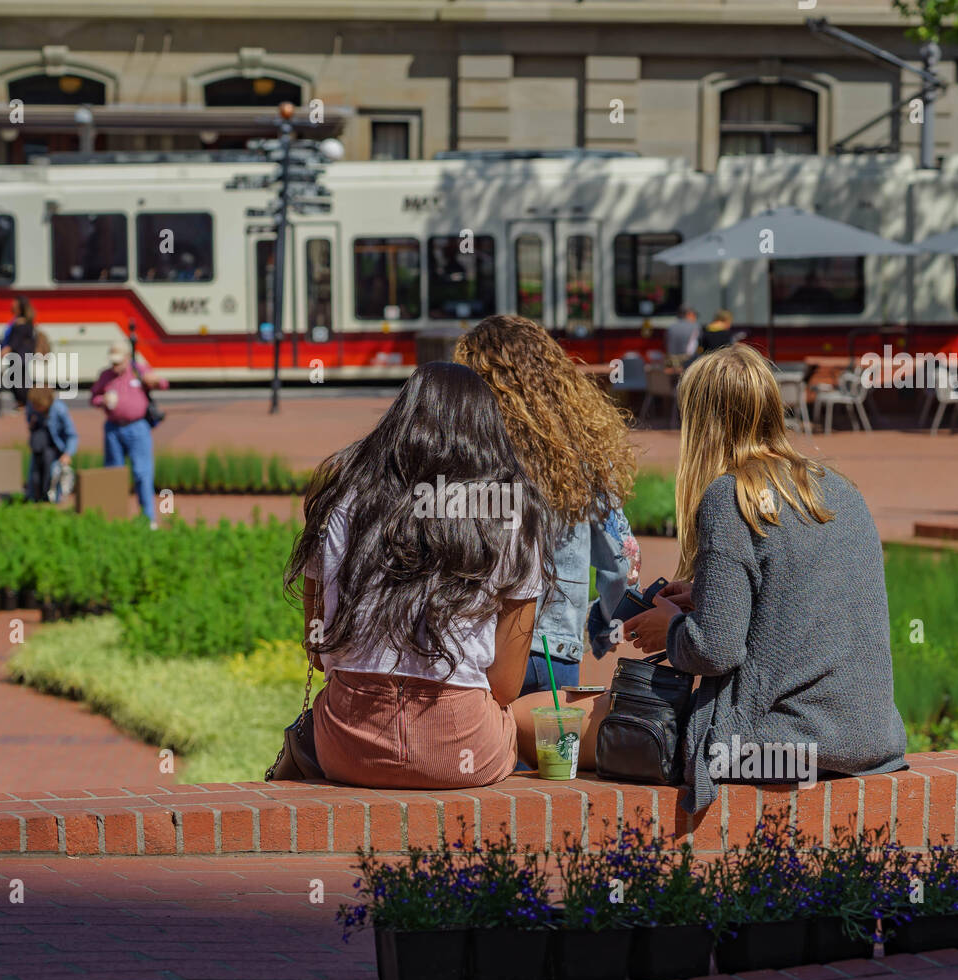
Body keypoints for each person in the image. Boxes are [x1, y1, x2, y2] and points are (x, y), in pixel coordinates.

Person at [510, 343, 908, 809]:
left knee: (523, 719)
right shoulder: (837, 489)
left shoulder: (729, 496)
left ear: (700, 422)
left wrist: (670, 628)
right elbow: (796, 596)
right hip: (869, 741)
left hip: (776, 748)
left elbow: (715, 651)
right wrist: (707, 595)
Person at [283, 361, 555, 790]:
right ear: (488, 435)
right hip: (461, 752)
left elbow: (318, 652)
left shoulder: (342, 497)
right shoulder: (510, 514)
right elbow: (504, 686)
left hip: (346, 747)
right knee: (552, 712)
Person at [454, 314, 642, 694]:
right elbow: (620, 561)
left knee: (489, 754)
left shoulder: (469, 453)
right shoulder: (581, 453)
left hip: (479, 649)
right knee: (550, 751)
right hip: (554, 653)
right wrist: (604, 624)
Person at [89, 341, 168, 527]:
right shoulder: (105, 376)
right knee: (113, 474)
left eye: (118, 362)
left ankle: (148, 519)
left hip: (137, 428)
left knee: (142, 473)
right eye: (112, 362)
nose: (115, 366)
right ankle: (114, 517)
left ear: (127, 358)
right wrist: (102, 400)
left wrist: (155, 380)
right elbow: (93, 397)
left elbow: (163, 384)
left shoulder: (138, 370)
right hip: (113, 428)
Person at [25, 385, 78, 503]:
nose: (35, 408)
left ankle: (52, 499)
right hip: (39, 446)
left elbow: (71, 434)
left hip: (54, 447)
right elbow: (29, 419)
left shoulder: (59, 410)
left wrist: (67, 454)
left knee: (51, 474)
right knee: (35, 475)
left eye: (38, 406)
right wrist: (31, 424)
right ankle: (34, 497)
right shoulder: (32, 405)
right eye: (34, 405)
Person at [0, 297, 41, 411]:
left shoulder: (22, 323)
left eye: (14, 305)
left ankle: (26, 403)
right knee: (18, 379)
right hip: (19, 355)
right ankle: (24, 403)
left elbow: (16, 340)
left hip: (19, 355)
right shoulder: (19, 321)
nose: (12, 307)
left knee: (17, 380)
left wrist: (8, 348)